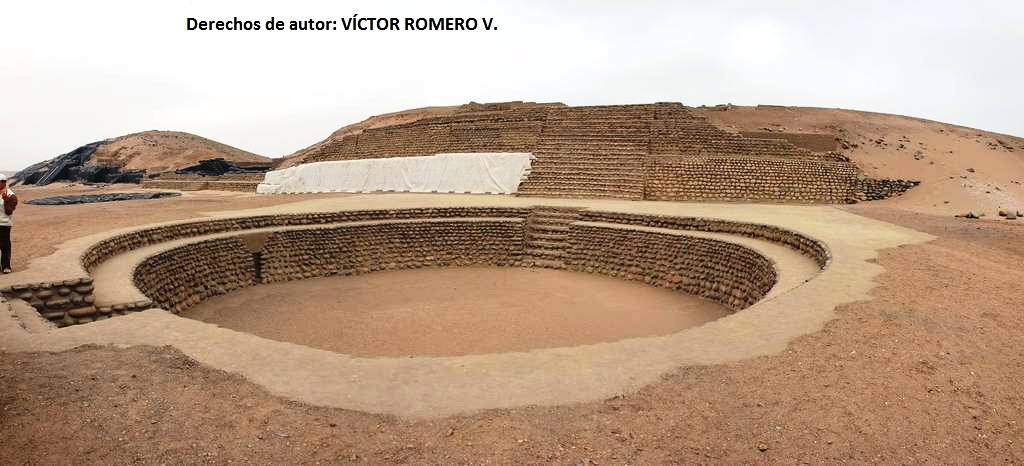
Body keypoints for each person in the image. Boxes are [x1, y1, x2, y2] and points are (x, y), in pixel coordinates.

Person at [0, 173, 16, 274]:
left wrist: (6, 201)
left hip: (4, 224)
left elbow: (9, 212)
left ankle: (6, 266)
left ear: (3, 183)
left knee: (4, 245)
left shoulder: (11, 195)